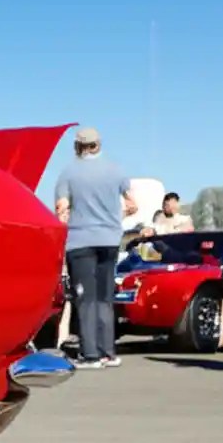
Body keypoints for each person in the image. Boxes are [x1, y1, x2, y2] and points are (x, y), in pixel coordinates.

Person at [54, 127, 137, 368]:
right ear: (98, 145)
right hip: (110, 239)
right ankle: (108, 353)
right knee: (104, 297)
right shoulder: (116, 170)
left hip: (81, 241)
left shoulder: (69, 173)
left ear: (77, 146)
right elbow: (132, 205)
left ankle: (90, 354)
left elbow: (61, 209)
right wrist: (112, 216)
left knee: (86, 298)